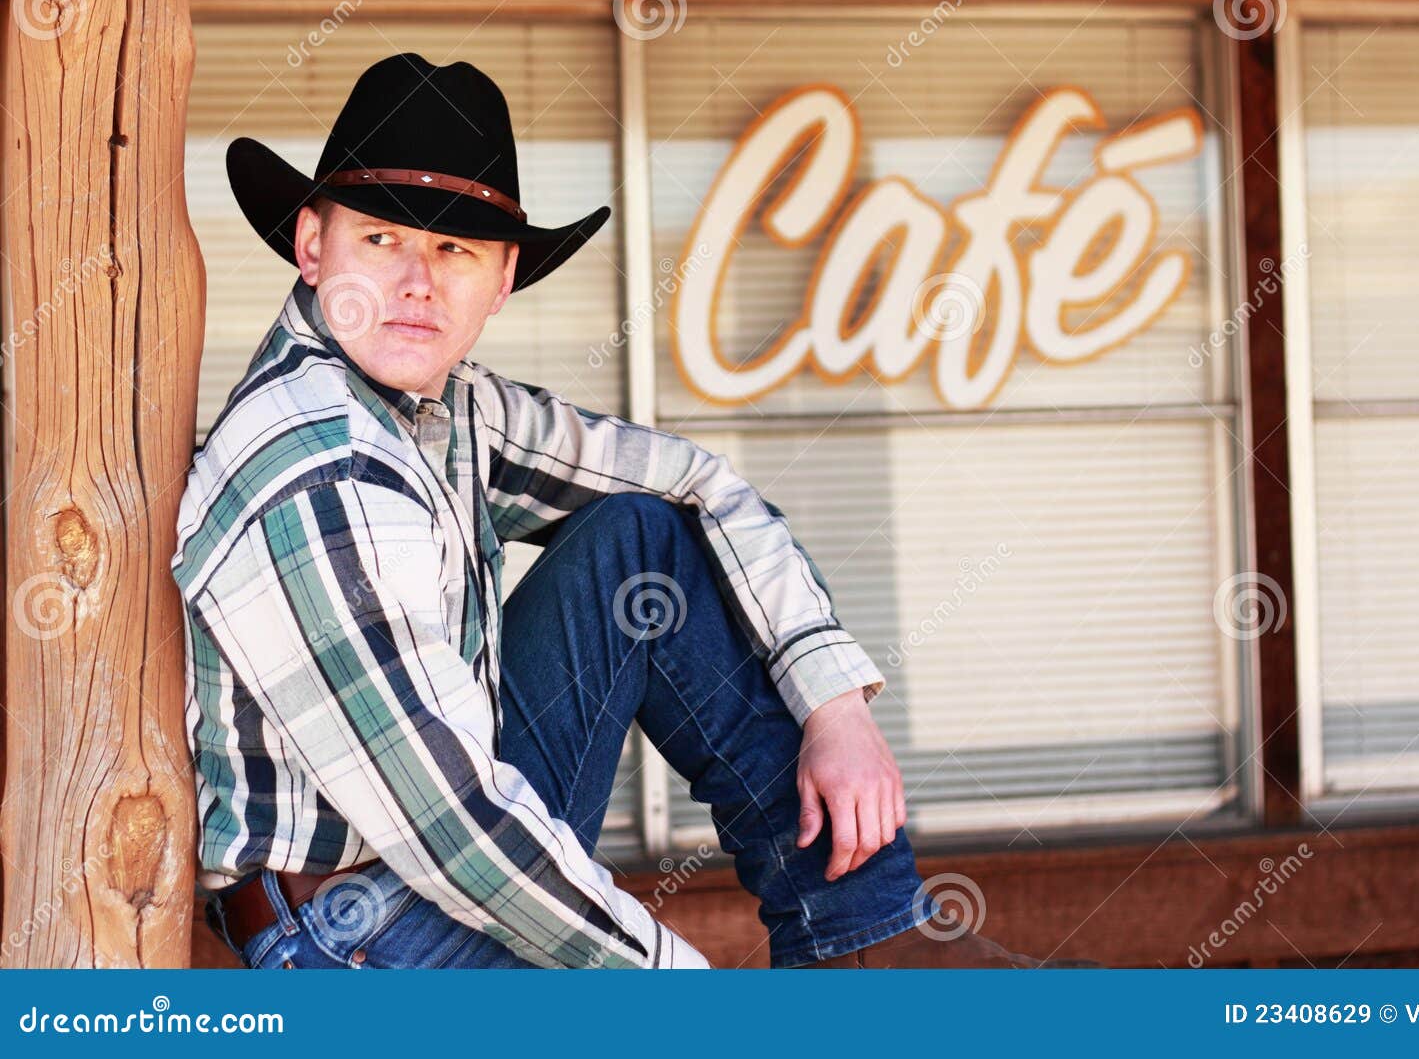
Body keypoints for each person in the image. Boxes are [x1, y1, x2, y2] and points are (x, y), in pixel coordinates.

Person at [173, 52, 1086, 970]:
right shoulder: (314, 462)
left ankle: (866, 939)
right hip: (359, 941)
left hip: (448, 867)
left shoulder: (455, 410)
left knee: (639, 542)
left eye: (455, 250)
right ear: (311, 245)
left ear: (501, 279)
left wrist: (835, 703)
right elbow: (457, 832)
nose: (418, 281)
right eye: (381, 239)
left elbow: (697, 481)